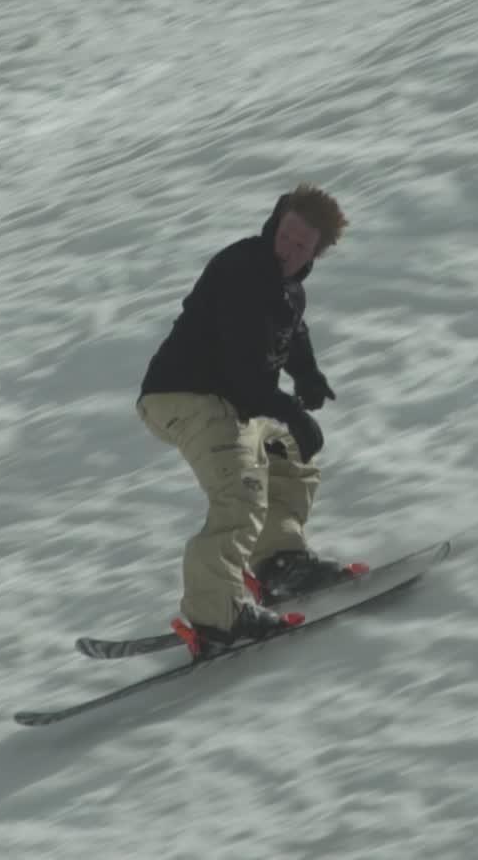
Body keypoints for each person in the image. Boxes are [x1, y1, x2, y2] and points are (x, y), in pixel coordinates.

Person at [135, 183, 358, 656]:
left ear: (316, 252)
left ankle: (281, 564)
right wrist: (292, 410)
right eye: (287, 234)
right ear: (278, 221)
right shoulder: (243, 269)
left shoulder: (288, 289)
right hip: (187, 395)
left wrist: (309, 376)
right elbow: (241, 370)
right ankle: (217, 617)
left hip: (231, 402)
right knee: (238, 497)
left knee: (287, 454)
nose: (288, 248)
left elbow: (292, 330)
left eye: (301, 245)